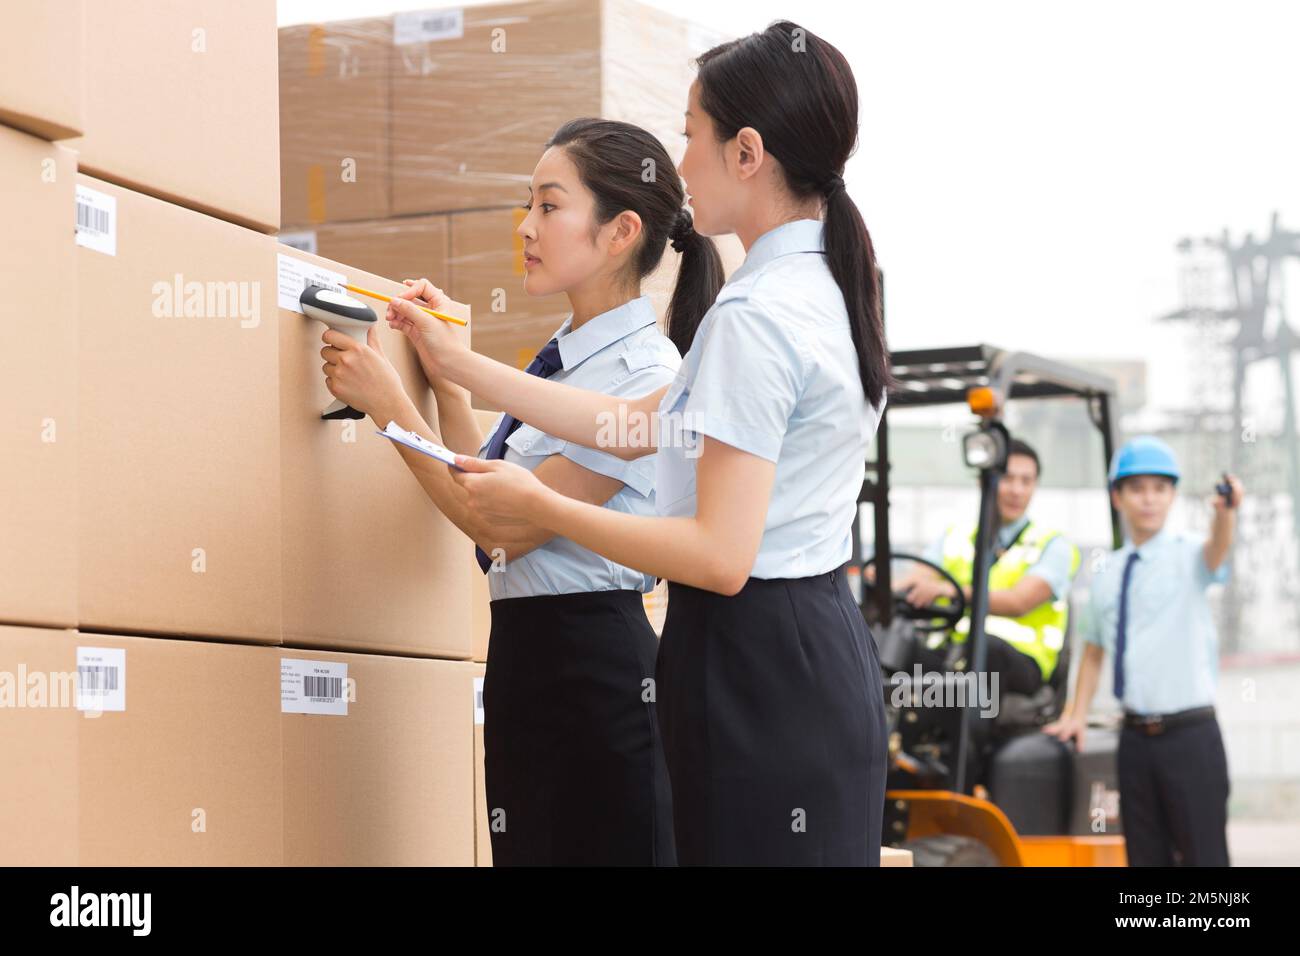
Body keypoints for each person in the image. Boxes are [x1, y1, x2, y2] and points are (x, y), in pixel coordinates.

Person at [386, 21, 892, 865]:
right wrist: (456, 366)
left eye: (691, 135)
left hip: (753, 659)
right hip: (809, 648)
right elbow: (644, 427)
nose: (680, 162)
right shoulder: (822, 287)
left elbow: (720, 554)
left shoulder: (753, 316)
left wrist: (545, 504)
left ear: (747, 153)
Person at [319, 117, 726, 866]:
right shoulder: (560, 369)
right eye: (527, 205)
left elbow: (500, 526)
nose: (526, 226)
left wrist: (389, 406)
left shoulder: (647, 377)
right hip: (524, 662)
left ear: (619, 232)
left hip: (597, 672)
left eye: (548, 206)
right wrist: (444, 382)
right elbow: (484, 485)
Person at [1044, 436, 1241, 866]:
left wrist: (1225, 514)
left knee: (1204, 858)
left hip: (1189, 736)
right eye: (1137, 489)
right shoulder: (1107, 572)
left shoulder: (1190, 556)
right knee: (1144, 859)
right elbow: (1094, 648)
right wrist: (1076, 713)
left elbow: (1217, 549)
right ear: (1118, 496)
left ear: (1172, 495)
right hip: (1134, 741)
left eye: (1159, 488)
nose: (1149, 499)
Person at [893, 439, 1080, 697]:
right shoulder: (956, 535)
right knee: (896, 644)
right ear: (984, 482)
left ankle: (964, 734)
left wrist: (947, 591)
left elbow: (1019, 602)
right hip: (957, 652)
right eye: (1008, 479)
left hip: (1019, 661)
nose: (1017, 490)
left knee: (984, 653)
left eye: (1026, 481)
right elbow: (919, 577)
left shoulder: (1054, 545)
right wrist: (883, 587)